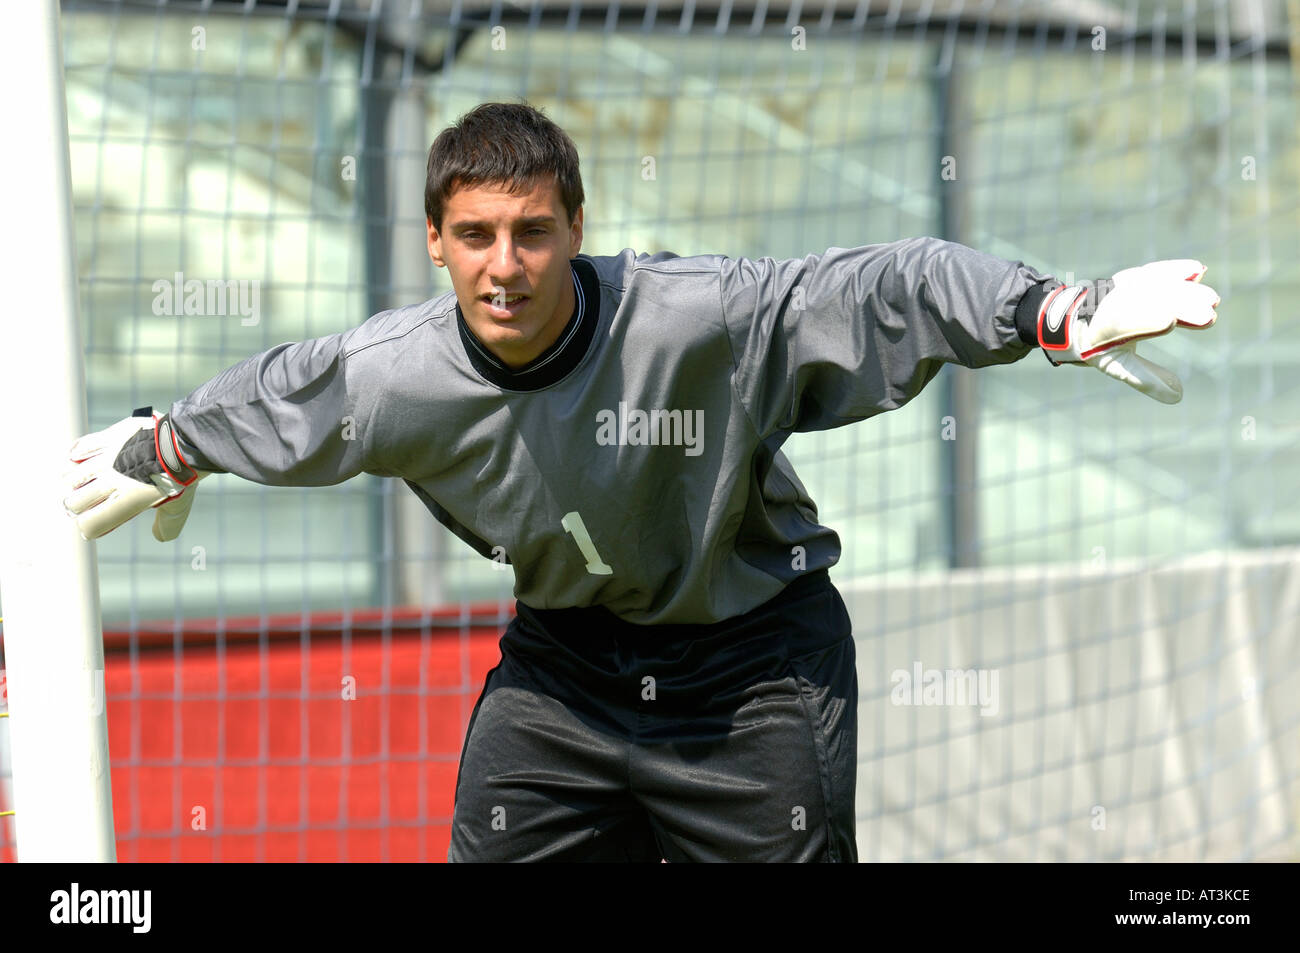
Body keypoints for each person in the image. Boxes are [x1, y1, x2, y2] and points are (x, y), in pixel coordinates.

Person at [62, 100, 1220, 862]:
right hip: (562, 675)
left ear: (577, 227)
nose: (503, 267)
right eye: (474, 235)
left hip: (753, 669)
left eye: (530, 232)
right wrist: (166, 448)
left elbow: (892, 286)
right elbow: (283, 396)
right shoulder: (395, 375)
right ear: (433, 240)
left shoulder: (702, 314)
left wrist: (1048, 310)